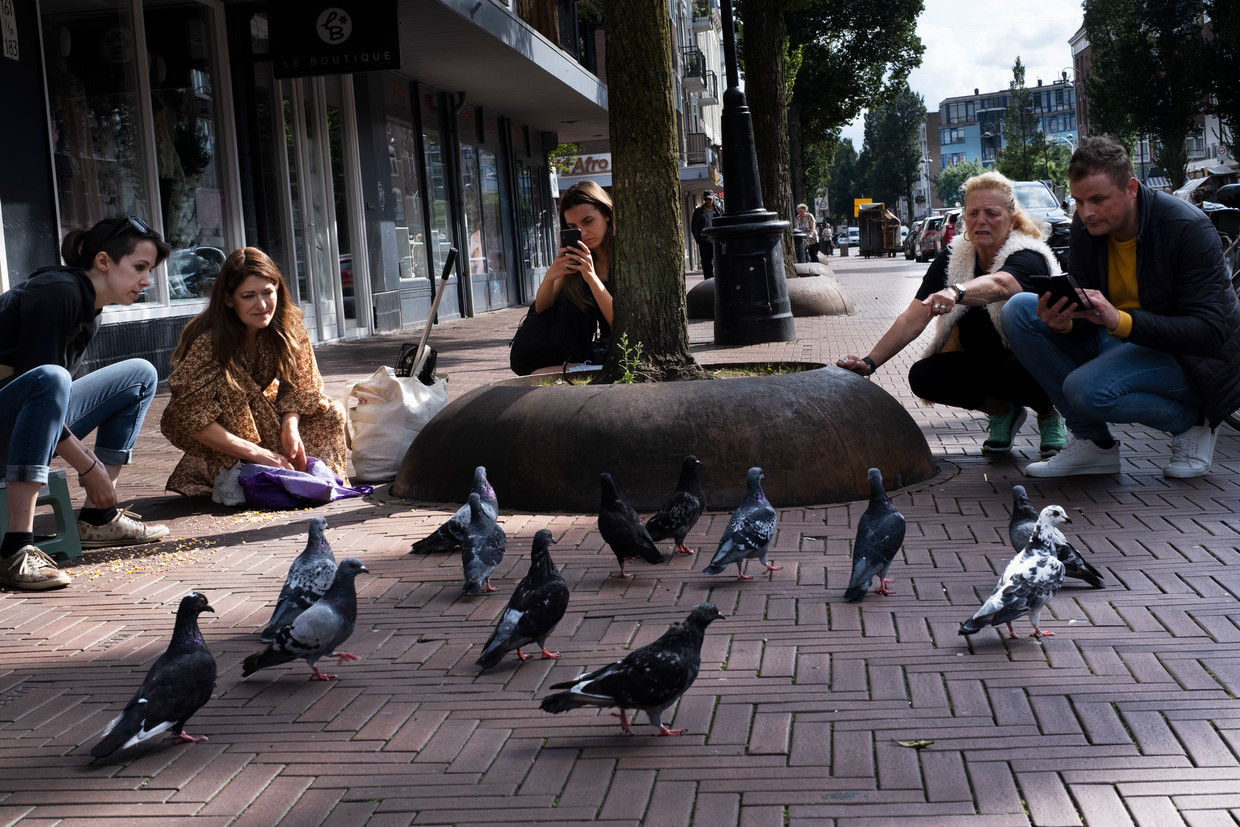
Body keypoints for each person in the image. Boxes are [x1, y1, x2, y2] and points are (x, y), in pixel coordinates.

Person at [1002, 136, 1240, 478]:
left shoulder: (1187, 228)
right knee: (1018, 309)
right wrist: (1064, 323)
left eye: (1098, 199)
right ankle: (1093, 444)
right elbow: (1089, 314)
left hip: (1192, 359)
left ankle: (1194, 422)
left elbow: (1210, 332)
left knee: (1085, 389)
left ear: (1131, 187)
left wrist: (1119, 320)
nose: (1086, 213)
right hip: (1122, 338)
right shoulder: (1087, 227)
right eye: (1079, 201)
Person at [837, 171, 1068, 456]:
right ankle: (1004, 412)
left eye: (992, 213)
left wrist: (956, 292)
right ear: (965, 218)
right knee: (924, 376)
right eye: (973, 213)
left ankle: (1048, 414)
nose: (981, 220)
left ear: (1011, 219)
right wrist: (869, 363)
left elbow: (1001, 284)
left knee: (1014, 372)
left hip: (1033, 363)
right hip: (982, 362)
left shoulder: (1029, 254)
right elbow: (913, 317)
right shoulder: (953, 257)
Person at [0, 217, 172, 590]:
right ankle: (15, 549)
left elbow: (48, 403)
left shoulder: (89, 305)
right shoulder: (57, 292)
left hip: (20, 419)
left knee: (140, 375)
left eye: (150, 270)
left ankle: (99, 516)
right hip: (7, 423)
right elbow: (37, 388)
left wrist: (91, 468)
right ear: (104, 261)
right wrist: (89, 466)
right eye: (140, 267)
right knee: (52, 378)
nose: (147, 280)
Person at [161, 247, 349, 497]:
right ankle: (222, 469)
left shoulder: (288, 324)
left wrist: (289, 426)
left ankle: (314, 485)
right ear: (229, 299)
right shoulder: (208, 342)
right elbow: (188, 415)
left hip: (265, 410)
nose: (261, 305)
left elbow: (303, 384)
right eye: (248, 296)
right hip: (222, 423)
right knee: (237, 403)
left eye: (268, 292)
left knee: (330, 413)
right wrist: (258, 454)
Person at [509, 180, 615, 375]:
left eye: (588, 221)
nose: (583, 233)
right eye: (573, 226)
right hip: (590, 355)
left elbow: (622, 323)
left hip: (624, 352)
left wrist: (591, 278)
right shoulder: (575, 258)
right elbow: (541, 310)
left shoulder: (625, 258)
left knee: (543, 376)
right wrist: (550, 278)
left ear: (607, 214)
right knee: (539, 374)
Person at [690, 189, 723, 279]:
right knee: (706, 263)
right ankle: (708, 280)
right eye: (706, 199)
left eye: (710, 199)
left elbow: (723, 222)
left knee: (718, 261)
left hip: (717, 240)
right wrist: (698, 239)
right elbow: (694, 226)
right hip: (704, 241)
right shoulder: (699, 211)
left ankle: (719, 279)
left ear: (713, 199)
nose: (708, 201)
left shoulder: (718, 210)